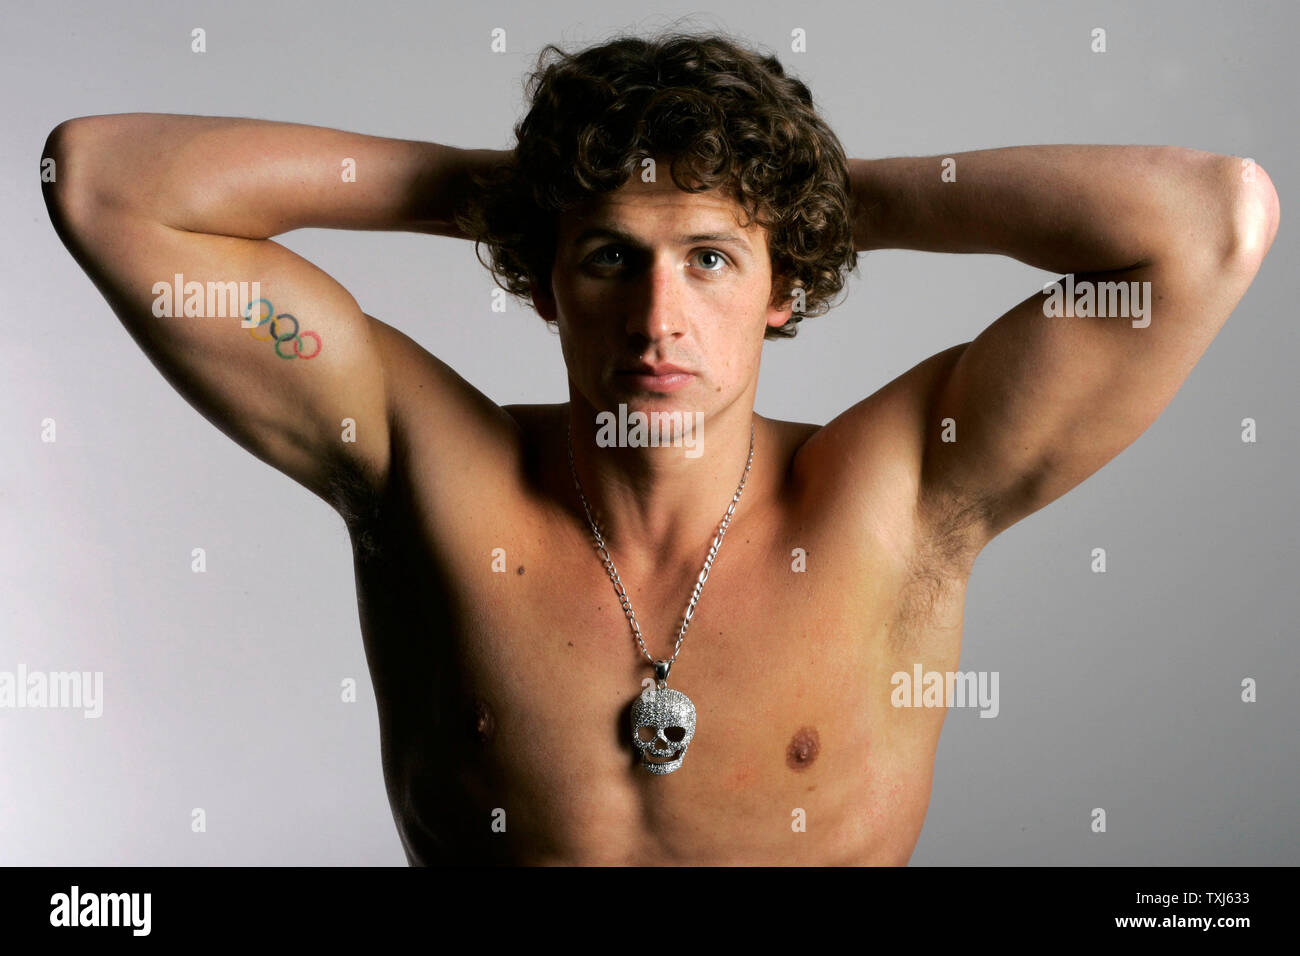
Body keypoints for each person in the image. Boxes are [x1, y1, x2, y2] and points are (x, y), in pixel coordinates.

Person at [41, 32, 1278, 865]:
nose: (657, 316)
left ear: (780, 285)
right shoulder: (422, 467)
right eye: (607, 256)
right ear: (544, 284)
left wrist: (800, 202)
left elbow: (1210, 223)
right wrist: (523, 190)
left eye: (710, 259)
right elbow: (101, 180)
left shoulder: (897, 496)